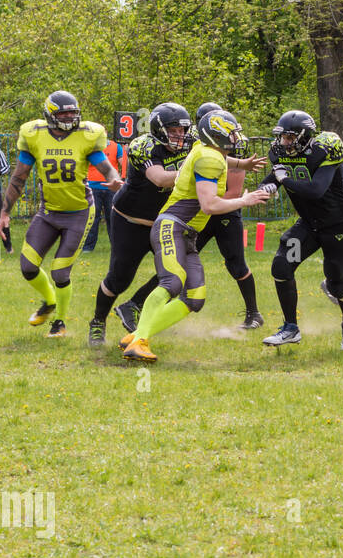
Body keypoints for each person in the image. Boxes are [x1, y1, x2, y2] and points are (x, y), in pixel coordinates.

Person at [120, 108, 267, 362]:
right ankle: (140, 339)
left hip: (186, 232)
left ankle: (135, 337)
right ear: (218, 135)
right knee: (172, 282)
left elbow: (220, 161)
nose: (236, 138)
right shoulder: (209, 158)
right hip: (173, 226)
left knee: (195, 296)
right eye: (231, 134)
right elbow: (210, 205)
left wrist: (242, 164)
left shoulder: (205, 149)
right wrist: (246, 199)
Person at [0, 91, 122, 337]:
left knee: (60, 272)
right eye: (63, 112)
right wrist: (4, 212)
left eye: (72, 112)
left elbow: (106, 168)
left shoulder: (86, 136)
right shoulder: (34, 135)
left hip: (79, 212)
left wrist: (115, 179)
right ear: (50, 114)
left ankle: (60, 322)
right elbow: (19, 177)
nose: (68, 117)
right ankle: (50, 302)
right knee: (28, 266)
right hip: (49, 212)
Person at [88, 102, 193, 347]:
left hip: (164, 222)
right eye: (174, 130)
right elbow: (160, 179)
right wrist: (193, 169)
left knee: (176, 273)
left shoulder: (191, 141)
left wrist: (238, 164)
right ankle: (97, 322)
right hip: (131, 221)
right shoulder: (143, 145)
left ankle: (133, 306)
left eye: (183, 130)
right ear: (159, 128)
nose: (180, 135)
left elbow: (213, 155)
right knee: (119, 278)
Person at [258, 110, 343, 350]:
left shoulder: (324, 150)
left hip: (338, 226)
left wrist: (283, 180)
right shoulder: (280, 153)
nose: (284, 142)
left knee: (338, 282)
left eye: (290, 138)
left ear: (304, 137)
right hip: (309, 225)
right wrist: (266, 189)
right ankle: (290, 328)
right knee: (282, 265)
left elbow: (316, 190)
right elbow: (272, 178)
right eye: (282, 137)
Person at [193, 101, 268, 329]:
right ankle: (145, 306)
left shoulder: (231, 147)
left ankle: (254, 314)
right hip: (203, 211)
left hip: (223, 211)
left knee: (236, 265)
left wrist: (207, 204)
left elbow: (233, 192)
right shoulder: (198, 148)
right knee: (177, 258)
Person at [81, 131, 124, 251]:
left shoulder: (116, 146)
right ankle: (87, 248)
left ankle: (116, 247)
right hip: (93, 187)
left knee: (113, 217)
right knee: (92, 218)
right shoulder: (90, 147)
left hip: (112, 188)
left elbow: (123, 163)